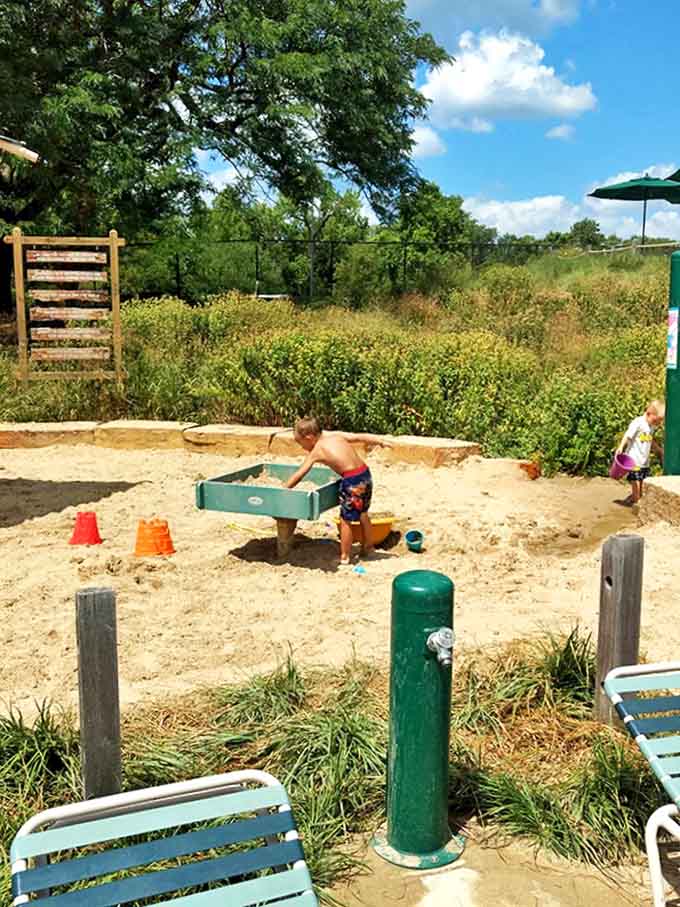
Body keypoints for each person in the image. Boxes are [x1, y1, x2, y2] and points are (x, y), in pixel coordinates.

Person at [285, 416, 391, 565]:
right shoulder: (335, 435)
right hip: (365, 474)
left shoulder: (317, 450)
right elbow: (358, 437)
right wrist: (379, 440)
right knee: (363, 514)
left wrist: (284, 489)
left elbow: (300, 473)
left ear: (309, 437)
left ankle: (345, 556)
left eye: (300, 443)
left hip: (352, 481)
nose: (302, 447)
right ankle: (369, 547)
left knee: (345, 520)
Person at [615, 400, 665, 506]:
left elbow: (650, 440)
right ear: (648, 414)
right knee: (636, 481)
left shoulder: (651, 426)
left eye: (659, 422)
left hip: (644, 461)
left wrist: (658, 449)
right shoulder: (638, 423)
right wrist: (621, 447)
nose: (658, 424)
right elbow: (628, 435)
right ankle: (636, 504)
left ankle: (634, 498)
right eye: (656, 421)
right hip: (634, 460)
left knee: (641, 482)